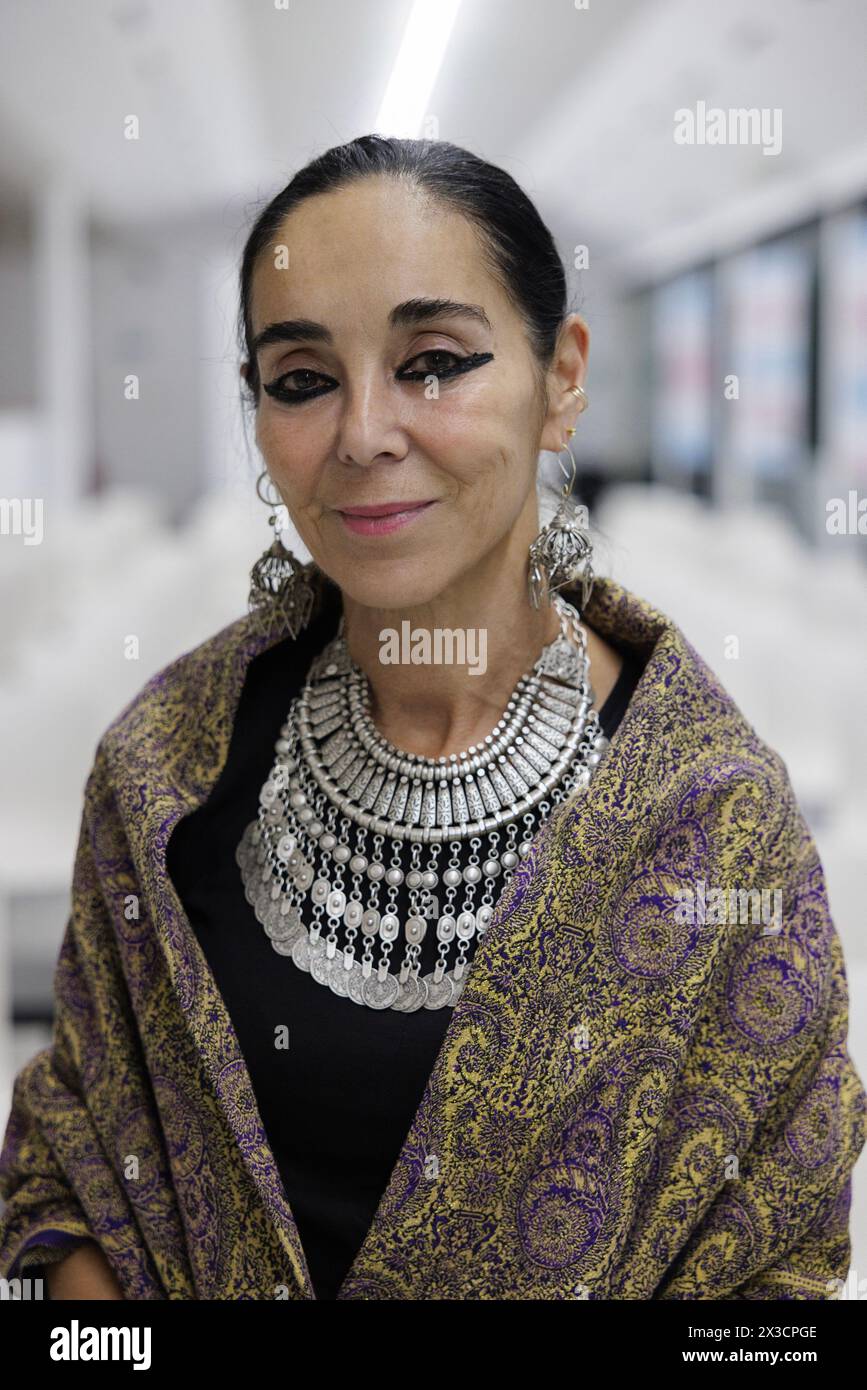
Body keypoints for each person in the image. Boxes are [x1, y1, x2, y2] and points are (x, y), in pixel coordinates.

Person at [1, 136, 863, 1301]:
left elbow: (779, 1274)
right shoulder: (162, 773)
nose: (362, 433)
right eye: (302, 378)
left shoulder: (715, 821)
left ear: (563, 378)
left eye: (436, 362)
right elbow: (71, 1169)